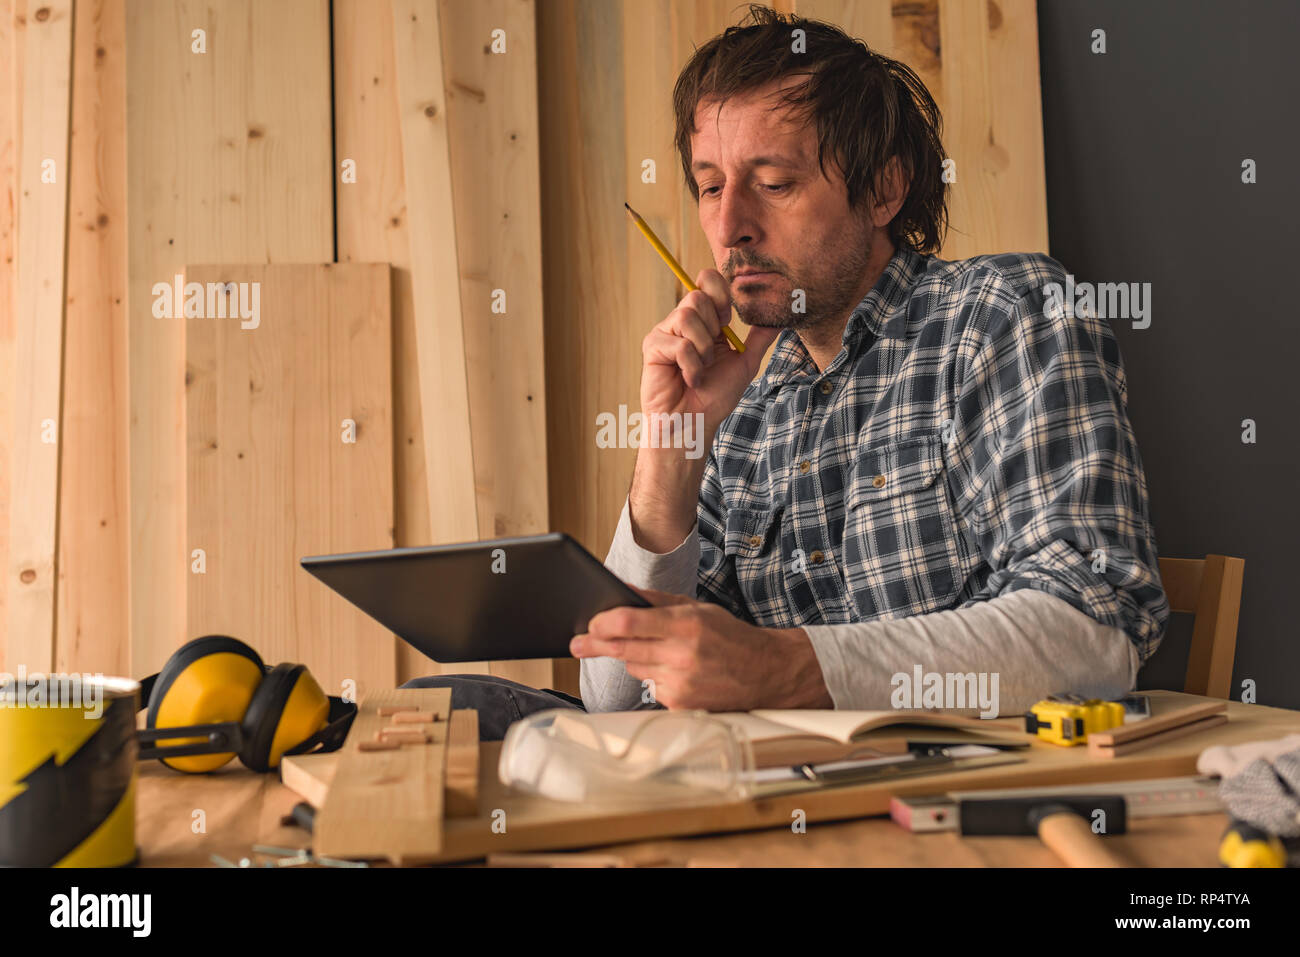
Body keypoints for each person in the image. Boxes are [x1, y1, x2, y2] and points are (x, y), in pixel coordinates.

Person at [405, 5, 1168, 737]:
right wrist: (670, 454)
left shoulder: (1005, 314)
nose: (730, 225)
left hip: (959, 811)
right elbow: (615, 699)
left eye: (773, 183)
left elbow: (1093, 630)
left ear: (883, 189)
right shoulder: (749, 392)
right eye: (710, 186)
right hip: (774, 807)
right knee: (440, 712)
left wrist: (783, 666)